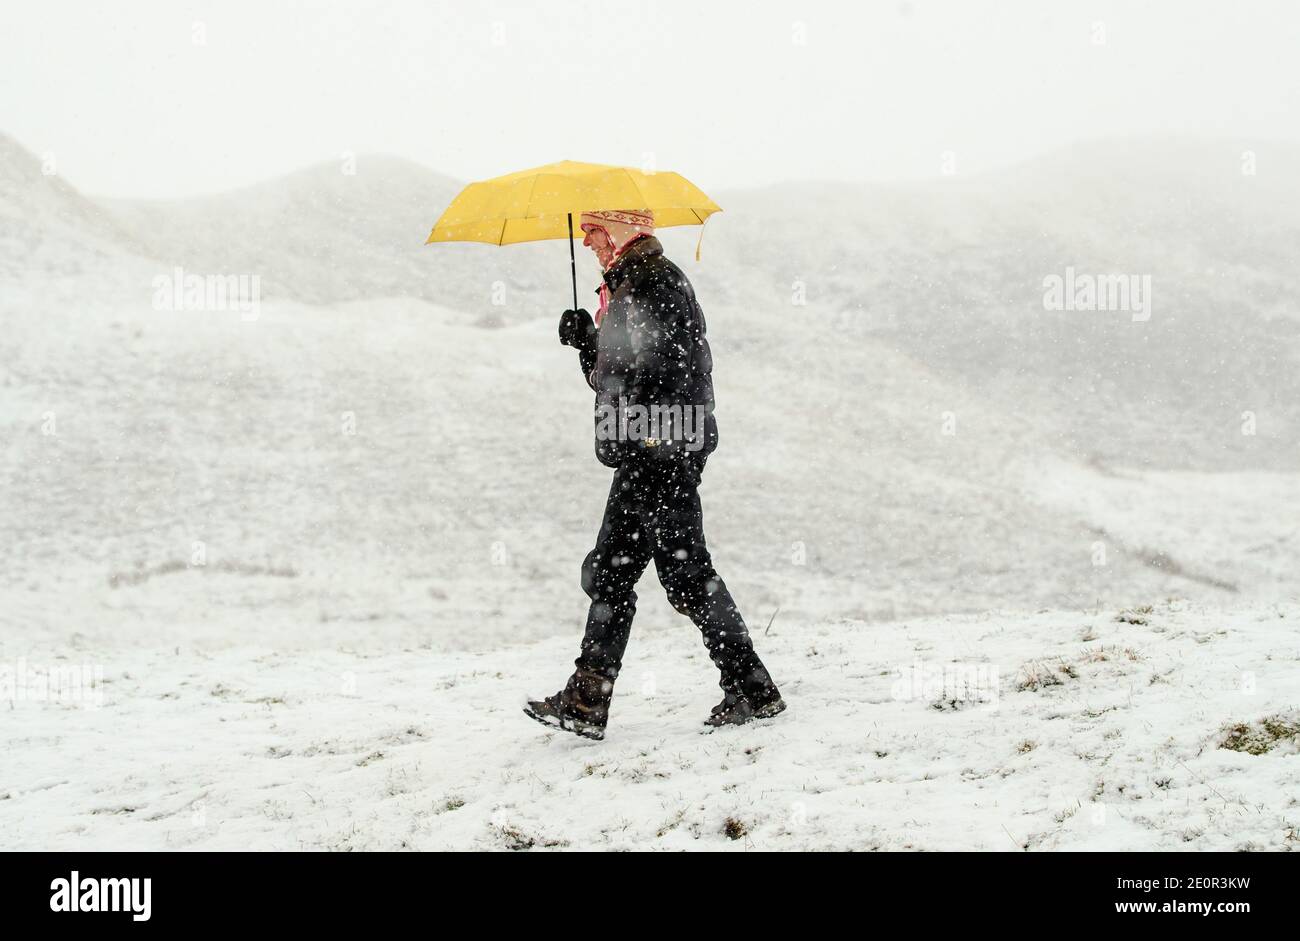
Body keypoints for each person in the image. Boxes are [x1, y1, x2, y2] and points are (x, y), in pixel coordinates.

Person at [524, 209, 784, 741]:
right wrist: (589, 344)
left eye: (594, 228)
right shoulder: (635, 283)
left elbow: (659, 366)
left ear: (620, 228)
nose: (586, 238)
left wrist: (602, 349)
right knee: (613, 572)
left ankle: (752, 689)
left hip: (659, 449)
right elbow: (628, 370)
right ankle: (587, 699)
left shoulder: (652, 281)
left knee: (679, 573)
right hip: (655, 447)